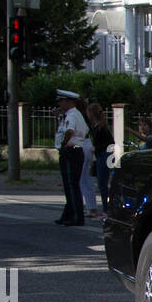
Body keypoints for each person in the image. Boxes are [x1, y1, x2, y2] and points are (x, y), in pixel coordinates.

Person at [54, 89, 89, 226]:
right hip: (74, 151)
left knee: (71, 185)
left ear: (68, 101)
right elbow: (84, 132)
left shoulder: (73, 115)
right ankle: (68, 214)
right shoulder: (71, 115)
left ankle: (77, 216)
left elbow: (69, 132)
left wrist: (64, 145)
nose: (59, 103)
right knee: (70, 185)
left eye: (61, 101)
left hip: (71, 152)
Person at [87, 102, 114, 218]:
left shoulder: (102, 128)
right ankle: (105, 209)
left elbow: (110, 143)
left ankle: (106, 210)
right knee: (101, 184)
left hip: (104, 156)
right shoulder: (96, 127)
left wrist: (96, 148)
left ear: (91, 114)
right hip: (100, 156)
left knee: (103, 184)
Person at [75, 95, 99, 219]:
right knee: (87, 179)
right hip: (87, 144)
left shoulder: (78, 115)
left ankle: (89, 208)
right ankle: (91, 207)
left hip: (82, 144)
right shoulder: (86, 115)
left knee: (81, 179)